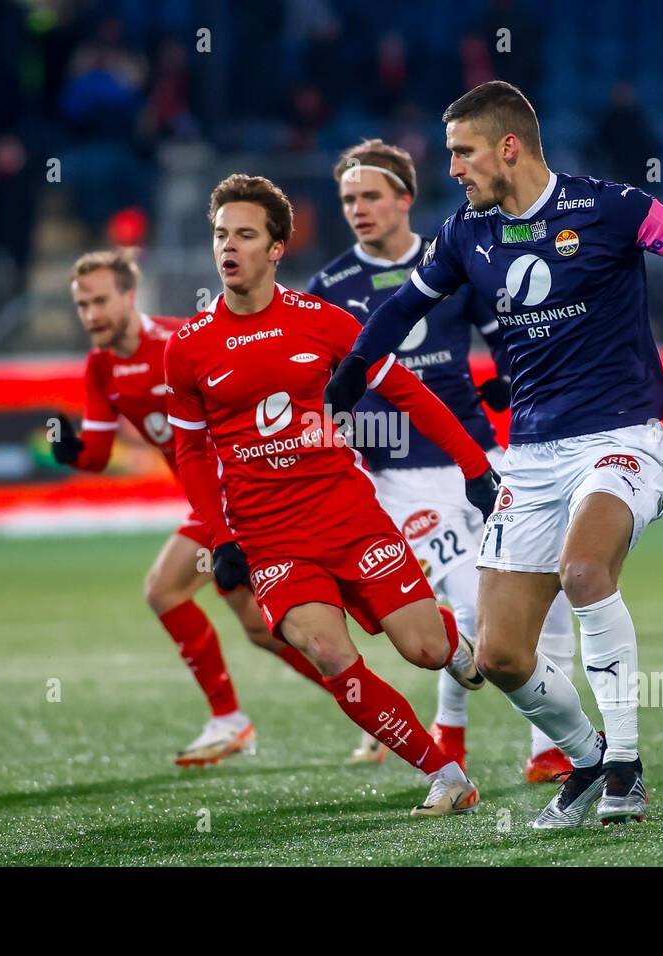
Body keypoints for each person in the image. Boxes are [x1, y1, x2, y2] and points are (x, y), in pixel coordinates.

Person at [325, 81, 663, 828]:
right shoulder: (464, 234)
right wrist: (354, 369)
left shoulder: (610, 208)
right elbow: (400, 308)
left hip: (624, 441)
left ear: (507, 146)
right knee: (501, 657)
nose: (452, 168)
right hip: (531, 459)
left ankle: (626, 767)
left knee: (584, 571)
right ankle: (585, 759)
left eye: (462, 152)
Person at [164, 174, 499, 816]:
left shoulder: (325, 322)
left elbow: (407, 394)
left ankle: (455, 645)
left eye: (244, 235)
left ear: (277, 247)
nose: (228, 248)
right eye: (219, 235)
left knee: (425, 650)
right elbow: (191, 452)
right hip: (270, 537)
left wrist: (473, 466)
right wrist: (220, 536)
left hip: (348, 516)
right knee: (327, 651)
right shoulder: (188, 349)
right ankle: (446, 775)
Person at [307, 138, 579, 783]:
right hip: (398, 478)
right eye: (349, 199)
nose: (358, 209)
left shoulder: (454, 256)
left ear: (404, 199)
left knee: (553, 590)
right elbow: (318, 387)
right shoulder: (331, 286)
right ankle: (451, 734)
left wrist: (511, 378)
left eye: (371, 195)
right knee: (471, 607)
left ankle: (544, 749)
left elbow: (508, 332)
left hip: (478, 456)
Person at [53, 250, 329, 767]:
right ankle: (357, 699)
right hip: (211, 507)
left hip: (242, 492)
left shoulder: (180, 342)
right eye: (82, 304)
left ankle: (231, 718)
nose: (91, 314)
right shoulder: (99, 366)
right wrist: (69, 451)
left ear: (130, 296)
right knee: (263, 629)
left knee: (164, 590)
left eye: (100, 301)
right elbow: (95, 452)